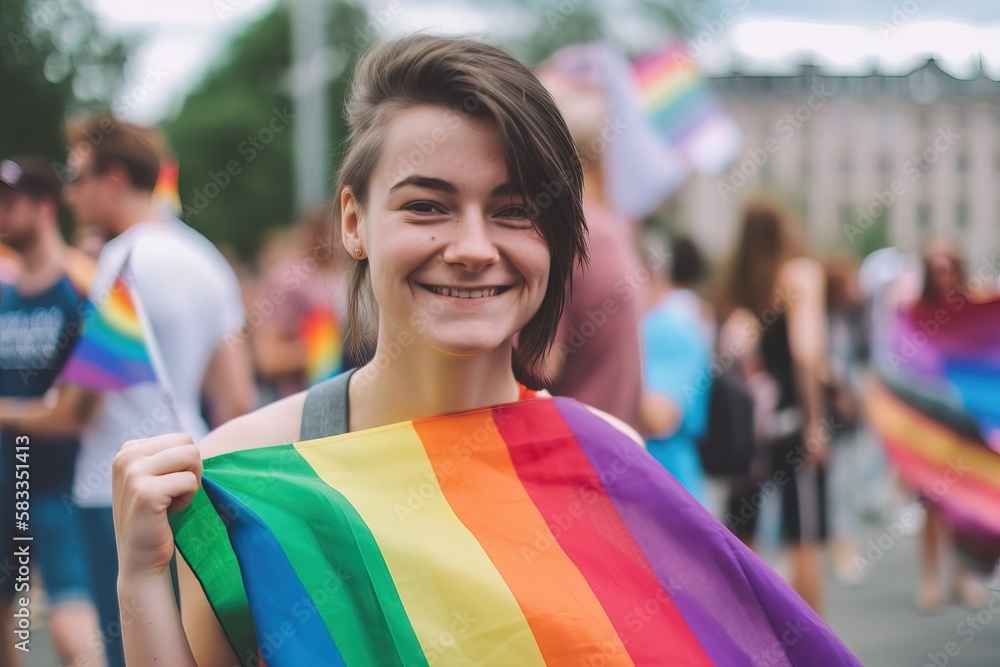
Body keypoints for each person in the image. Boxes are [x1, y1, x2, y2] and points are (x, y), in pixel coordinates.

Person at [112, 36, 860, 666]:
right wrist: (139, 580)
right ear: (354, 221)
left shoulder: (607, 461)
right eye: (427, 206)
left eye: (514, 211)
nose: (473, 248)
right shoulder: (251, 472)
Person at [0, 122, 256, 667]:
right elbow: (236, 400)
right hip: (194, 478)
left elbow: (77, 408)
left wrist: (8, 412)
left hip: (115, 490)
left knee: (128, 651)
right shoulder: (206, 258)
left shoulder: (122, 260)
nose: (70, 195)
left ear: (113, 179)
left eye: (77, 178)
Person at [0, 157, 105, 667]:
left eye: (9, 201)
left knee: (72, 624)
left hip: (66, 483)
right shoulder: (5, 294)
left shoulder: (81, 285)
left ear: (44, 206)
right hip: (9, 481)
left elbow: (77, 409)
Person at [719, 197, 831, 615]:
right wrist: (816, 423)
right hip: (790, 421)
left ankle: (741, 632)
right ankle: (812, 638)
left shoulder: (736, 284)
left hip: (746, 427)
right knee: (802, 532)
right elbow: (805, 354)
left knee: (742, 532)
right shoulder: (800, 275)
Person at [908, 239, 988, 613]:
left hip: (966, 422)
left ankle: (962, 576)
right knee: (931, 503)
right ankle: (931, 579)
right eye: (936, 269)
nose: (943, 276)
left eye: (948, 267)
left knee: (965, 504)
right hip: (930, 422)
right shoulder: (917, 313)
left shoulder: (972, 310)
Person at [640, 235, 713, 505]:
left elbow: (659, 415)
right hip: (664, 480)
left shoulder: (669, 327)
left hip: (666, 484)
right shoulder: (663, 322)